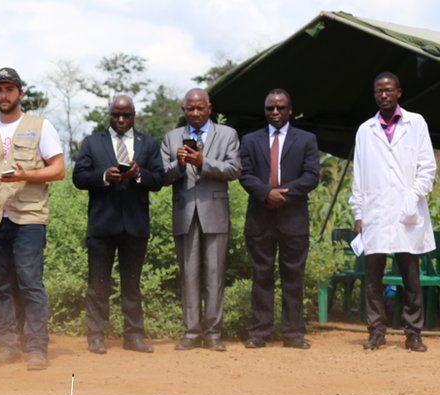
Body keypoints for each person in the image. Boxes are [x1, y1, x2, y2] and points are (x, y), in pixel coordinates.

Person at [0, 67, 65, 370]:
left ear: (20, 93)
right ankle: (8, 344)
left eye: (9, 89)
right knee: (0, 284)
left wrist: (26, 175)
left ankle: (36, 347)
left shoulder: (40, 126)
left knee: (30, 281)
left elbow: (58, 169)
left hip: (28, 217)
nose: (3, 95)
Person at [350, 72, 436, 351]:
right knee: (373, 276)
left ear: (399, 92)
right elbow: (359, 174)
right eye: (378, 91)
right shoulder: (366, 130)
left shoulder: (416, 123)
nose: (383, 95)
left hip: (406, 211)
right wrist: (358, 214)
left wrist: (413, 196)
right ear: (374, 95)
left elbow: (427, 167)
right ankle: (376, 330)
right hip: (375, 212)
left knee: (410, 274)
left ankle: (413, 333)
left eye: (388, 90)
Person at [72, 95, 164, 354]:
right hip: (102, 225)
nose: (121, 120)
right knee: (98, 282)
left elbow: (158, 179)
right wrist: (103, 176)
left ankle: (133, 336)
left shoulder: (148, 143)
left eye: (126, 115)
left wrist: (139, 175)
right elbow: (78, 177)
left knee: (132, 284)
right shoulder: (92, 142)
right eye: (116, 115)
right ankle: (96, 334)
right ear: (109, 114)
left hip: (135, 225)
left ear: (134, 115)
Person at [238, 89, 320, 350]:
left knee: (293, 276)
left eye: (280, 108)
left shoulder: (306, 139)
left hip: (293, 217)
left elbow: (312, 175)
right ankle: (260, 333)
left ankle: (293, 334)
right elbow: (245, 174)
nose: (275, 112)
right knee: (261, 275)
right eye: (270, 108)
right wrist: (266, 193)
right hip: (260, 218)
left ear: (290, 110)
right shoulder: (250, 140)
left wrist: (285, 194)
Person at [160, 88, 240, 352]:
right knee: (189, 275)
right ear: (184, 111)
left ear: (209, 108)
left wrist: (203, 161)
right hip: (185, 213)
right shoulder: (172, 138)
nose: (195, 113)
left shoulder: (227, 134)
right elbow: (162, 175)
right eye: (190, 109)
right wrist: (180, 165)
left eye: (200, 108)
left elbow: (234, 169)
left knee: (215, 275)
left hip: (214, 212)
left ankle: (214, 333)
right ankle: (192, 332)